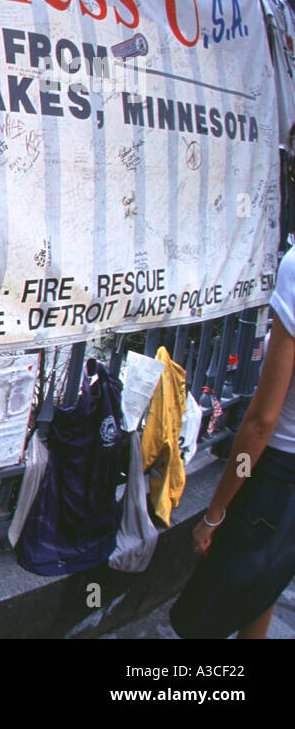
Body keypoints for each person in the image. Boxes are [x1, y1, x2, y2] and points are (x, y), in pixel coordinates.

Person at [170, 249, 295, 639]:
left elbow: (261, 422)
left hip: (275, 471)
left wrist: (215, 512)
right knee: (265, 584)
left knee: (201, 616)